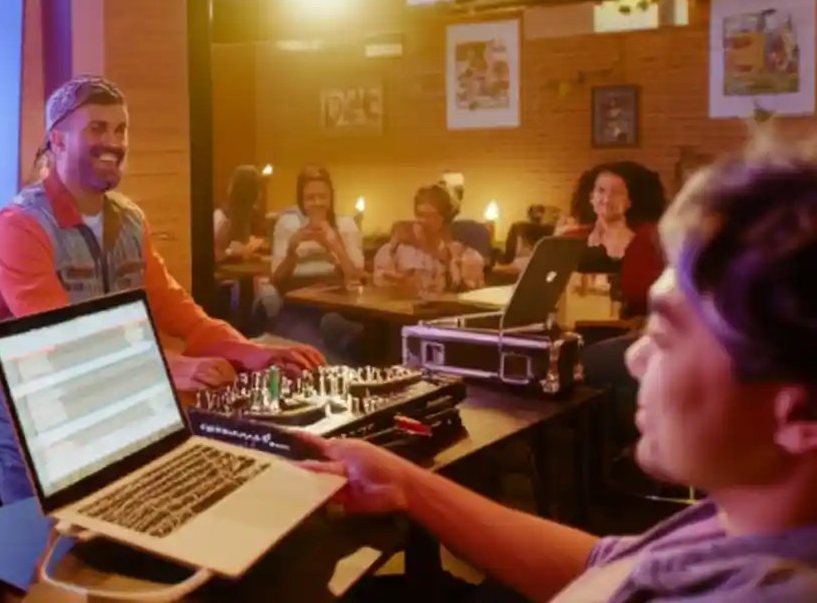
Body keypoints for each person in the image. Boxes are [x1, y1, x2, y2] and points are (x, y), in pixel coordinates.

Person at [303, 144, 817, 602]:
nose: (636, 359)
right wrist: (409, 484)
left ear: (800, 415)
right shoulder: (744, 518)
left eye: (665, 337)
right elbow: (603, 564)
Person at [0, 75, 324, 503]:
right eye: (97, 128)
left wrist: (251, 352)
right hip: (34, 431)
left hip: (117, 412)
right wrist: (173, 367)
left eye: (120, 129)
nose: (114, 141)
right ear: (59, 140)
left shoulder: (130, 220)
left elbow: (178, 311)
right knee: (44, 561)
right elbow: (62, 343)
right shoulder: (20, 226)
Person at [257, 166, 365, 357]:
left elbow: (356, 276)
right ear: (301, 201)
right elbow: (276, 280)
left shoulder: (346, 225)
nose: (317, 203)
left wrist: (335, 245)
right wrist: (292, 251)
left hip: (337, 305)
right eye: (311, 198)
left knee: (335, 325)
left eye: (322, 197)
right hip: (298, 307)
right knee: (310, 348)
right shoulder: (287, 225)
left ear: (331, 198)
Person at [556, 161, 666, 316]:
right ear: (591, 197)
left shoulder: (649, 239)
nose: (606, 199)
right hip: (579, 320)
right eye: (601, 191)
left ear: (630, 201)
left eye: (616, 193)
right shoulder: (571, 237)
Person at [373, 184, 485, 294]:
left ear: (443, 218)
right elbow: (380, 279)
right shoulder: (398, 246)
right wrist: (396, 281)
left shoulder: (458, 253)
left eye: (430, 216)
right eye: (420, 214)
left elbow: (468, 288)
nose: (423, 221)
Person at [213, 164, 266, 262]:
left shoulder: (256, 217)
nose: (260, 194)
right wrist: (233, 252)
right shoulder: (220, 217)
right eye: (258, 188)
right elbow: (213, 255)